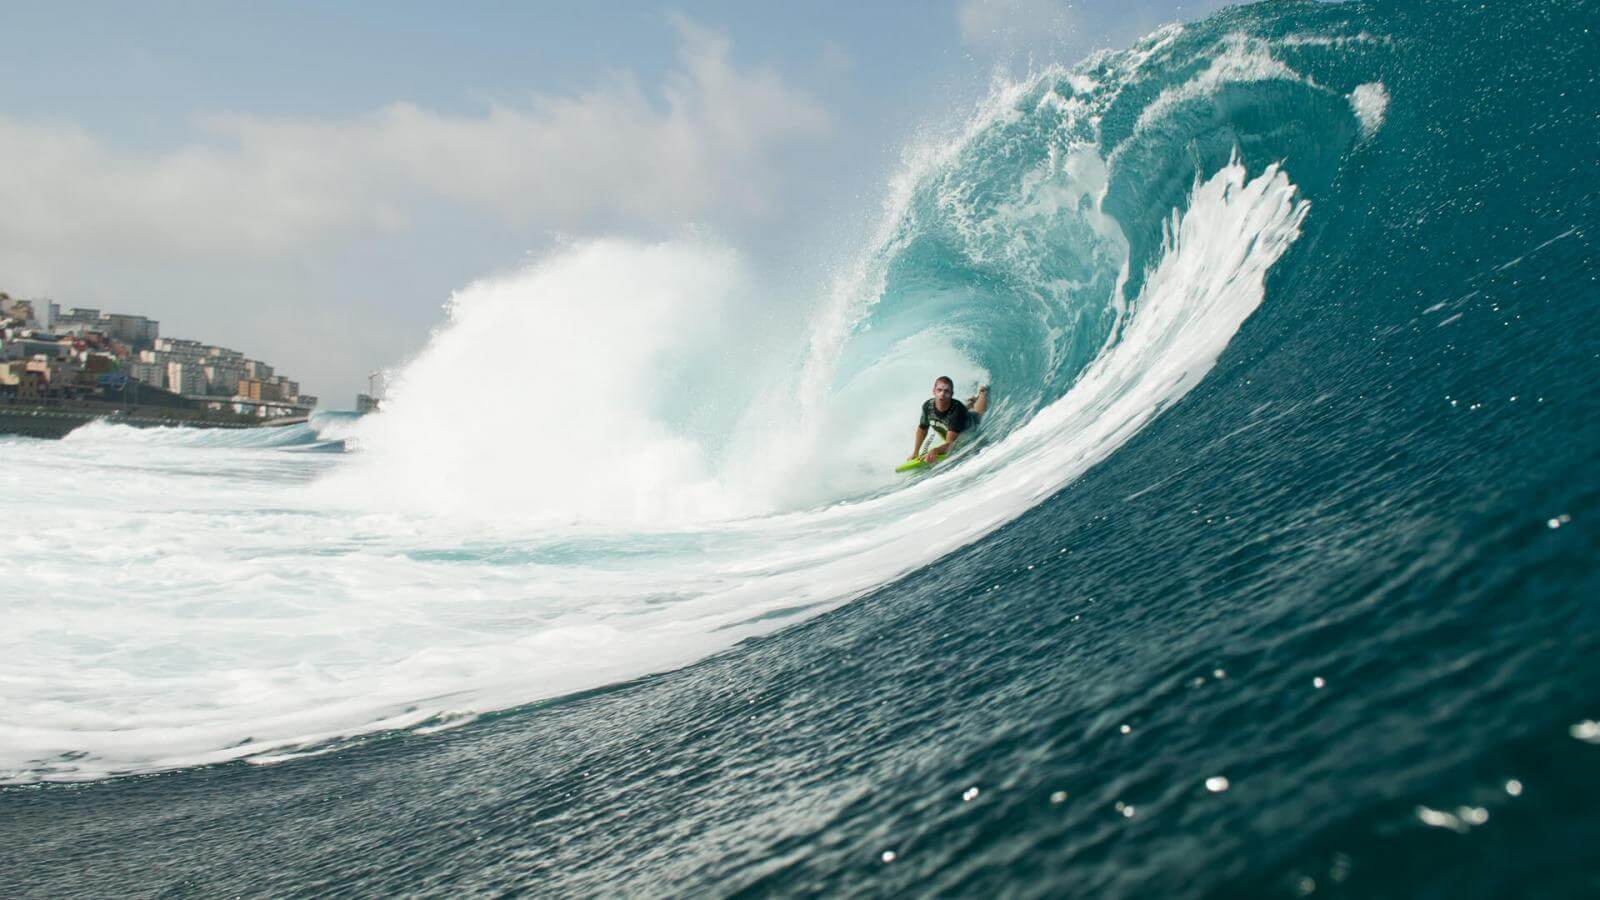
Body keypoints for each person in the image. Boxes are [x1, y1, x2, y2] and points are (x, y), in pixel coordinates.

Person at [910, 376, 989, 465]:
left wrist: (935, 450)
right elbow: (922, 429)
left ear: (951, 394)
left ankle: (982, 392)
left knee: (978, 414)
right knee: (957, 412)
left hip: (970, 423)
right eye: (939, 390)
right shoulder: (928, 406)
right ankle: (971, 402)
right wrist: (915, 452)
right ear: (934, 391)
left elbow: (951, 444)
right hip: (955, 416)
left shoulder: (957, 411)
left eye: (946, 391)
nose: (942, 394)